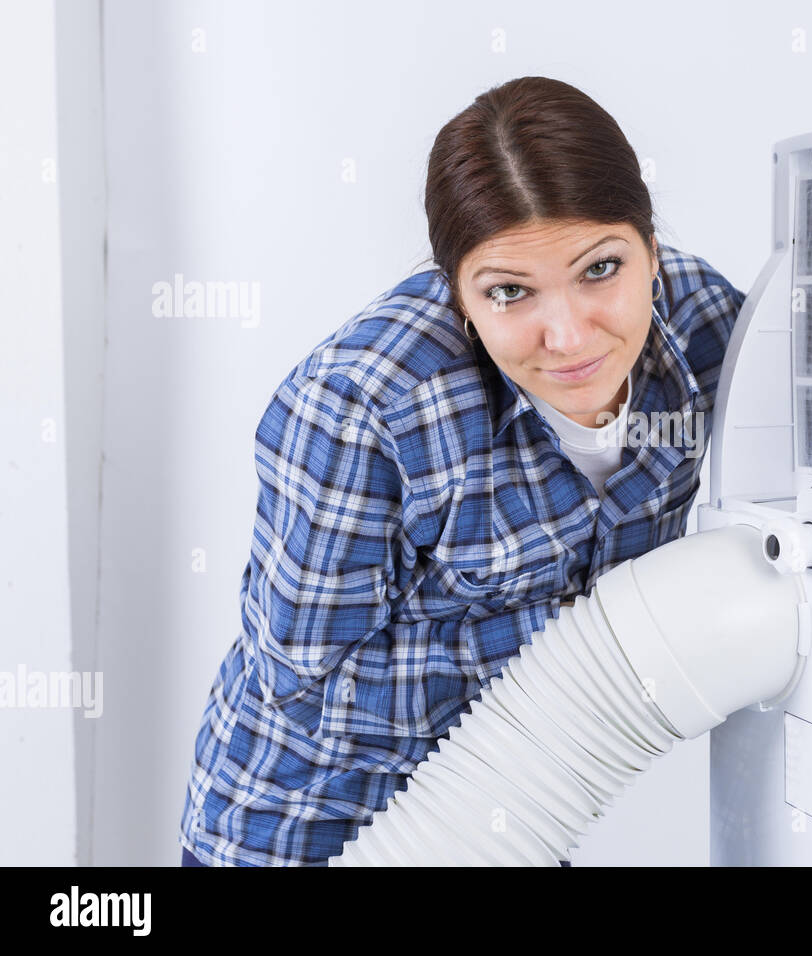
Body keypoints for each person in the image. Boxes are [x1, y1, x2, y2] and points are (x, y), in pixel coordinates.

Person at [178, 75, 747, 866]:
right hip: (317, 818)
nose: (568, 335)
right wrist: (600, 645)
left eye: (602, 270)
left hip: (513, 808)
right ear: (458, 296)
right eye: (510, 291)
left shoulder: (707, 326)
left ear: (653, 249)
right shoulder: (363, 405)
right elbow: (303, 679)